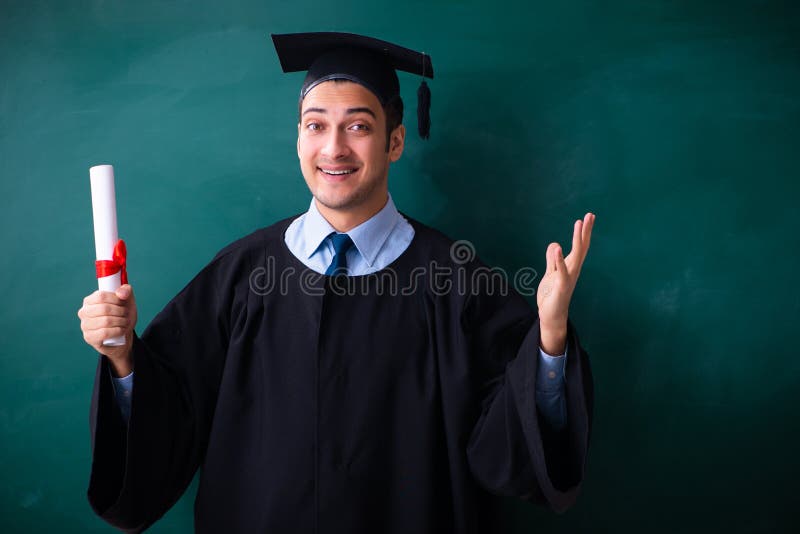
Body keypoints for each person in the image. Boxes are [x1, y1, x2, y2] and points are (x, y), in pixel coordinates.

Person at [78, 32, 596, 533]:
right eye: (315, 125)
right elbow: (171, 417)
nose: (334, 147)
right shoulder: (240, 275)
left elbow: (506, 444)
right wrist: (124, 359)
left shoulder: (456, 281)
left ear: (395, 141)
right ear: (298, 137)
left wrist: (549, 339)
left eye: (358, 127)